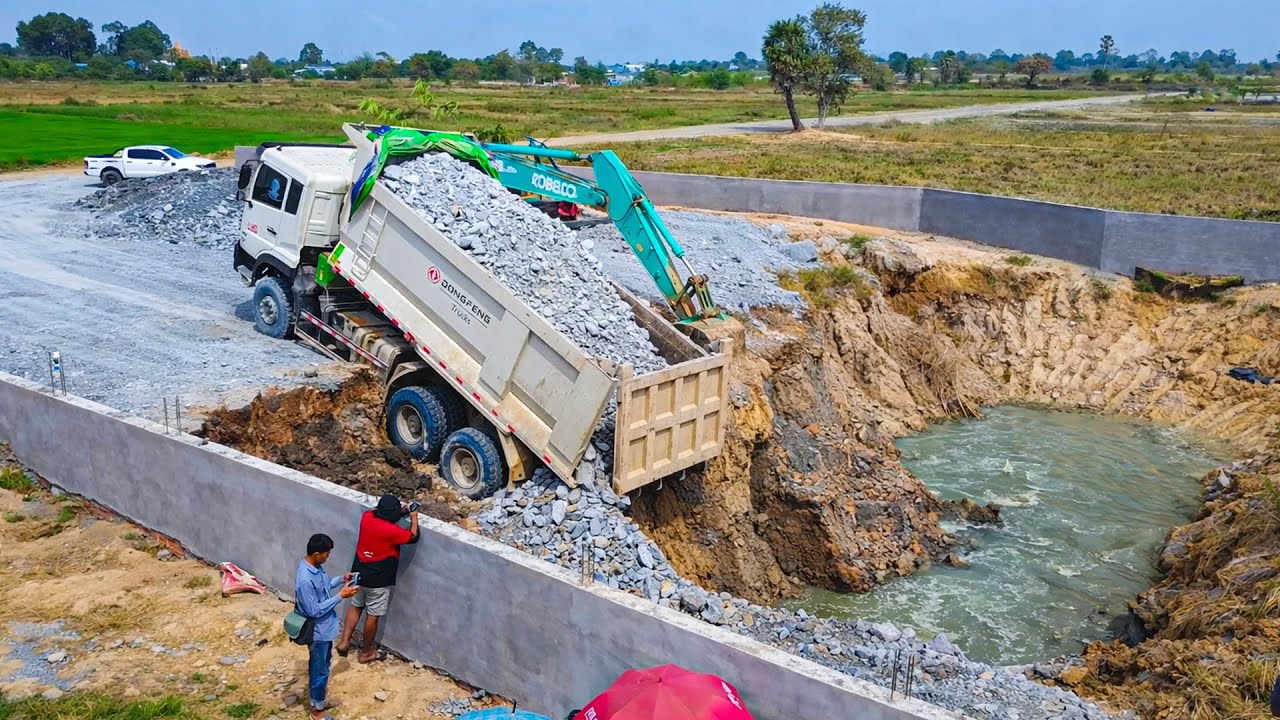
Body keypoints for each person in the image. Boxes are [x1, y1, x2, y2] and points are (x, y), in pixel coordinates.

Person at [336, 494, 420, 663]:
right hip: (379, 578)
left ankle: (344, 642)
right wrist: (413, 516)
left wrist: (401, 511)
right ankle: (366, 652)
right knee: (372, 615)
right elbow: (413, 537)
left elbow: (382, 516)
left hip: (358, 573)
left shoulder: (366, 518)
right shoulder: (391, 531)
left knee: (356, 606)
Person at [295, 533, 358, 720]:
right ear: (316, 553)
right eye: (326, 554)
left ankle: (319, 701)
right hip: (318, 632)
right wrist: (341, 596)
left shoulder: (316, 568)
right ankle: (317, 710)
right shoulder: (305, 580)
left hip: (326, 629)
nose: (327, 557)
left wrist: (341, 579)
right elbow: (314, 610)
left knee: (323, 665)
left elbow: (324, 587)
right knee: (319, 670)